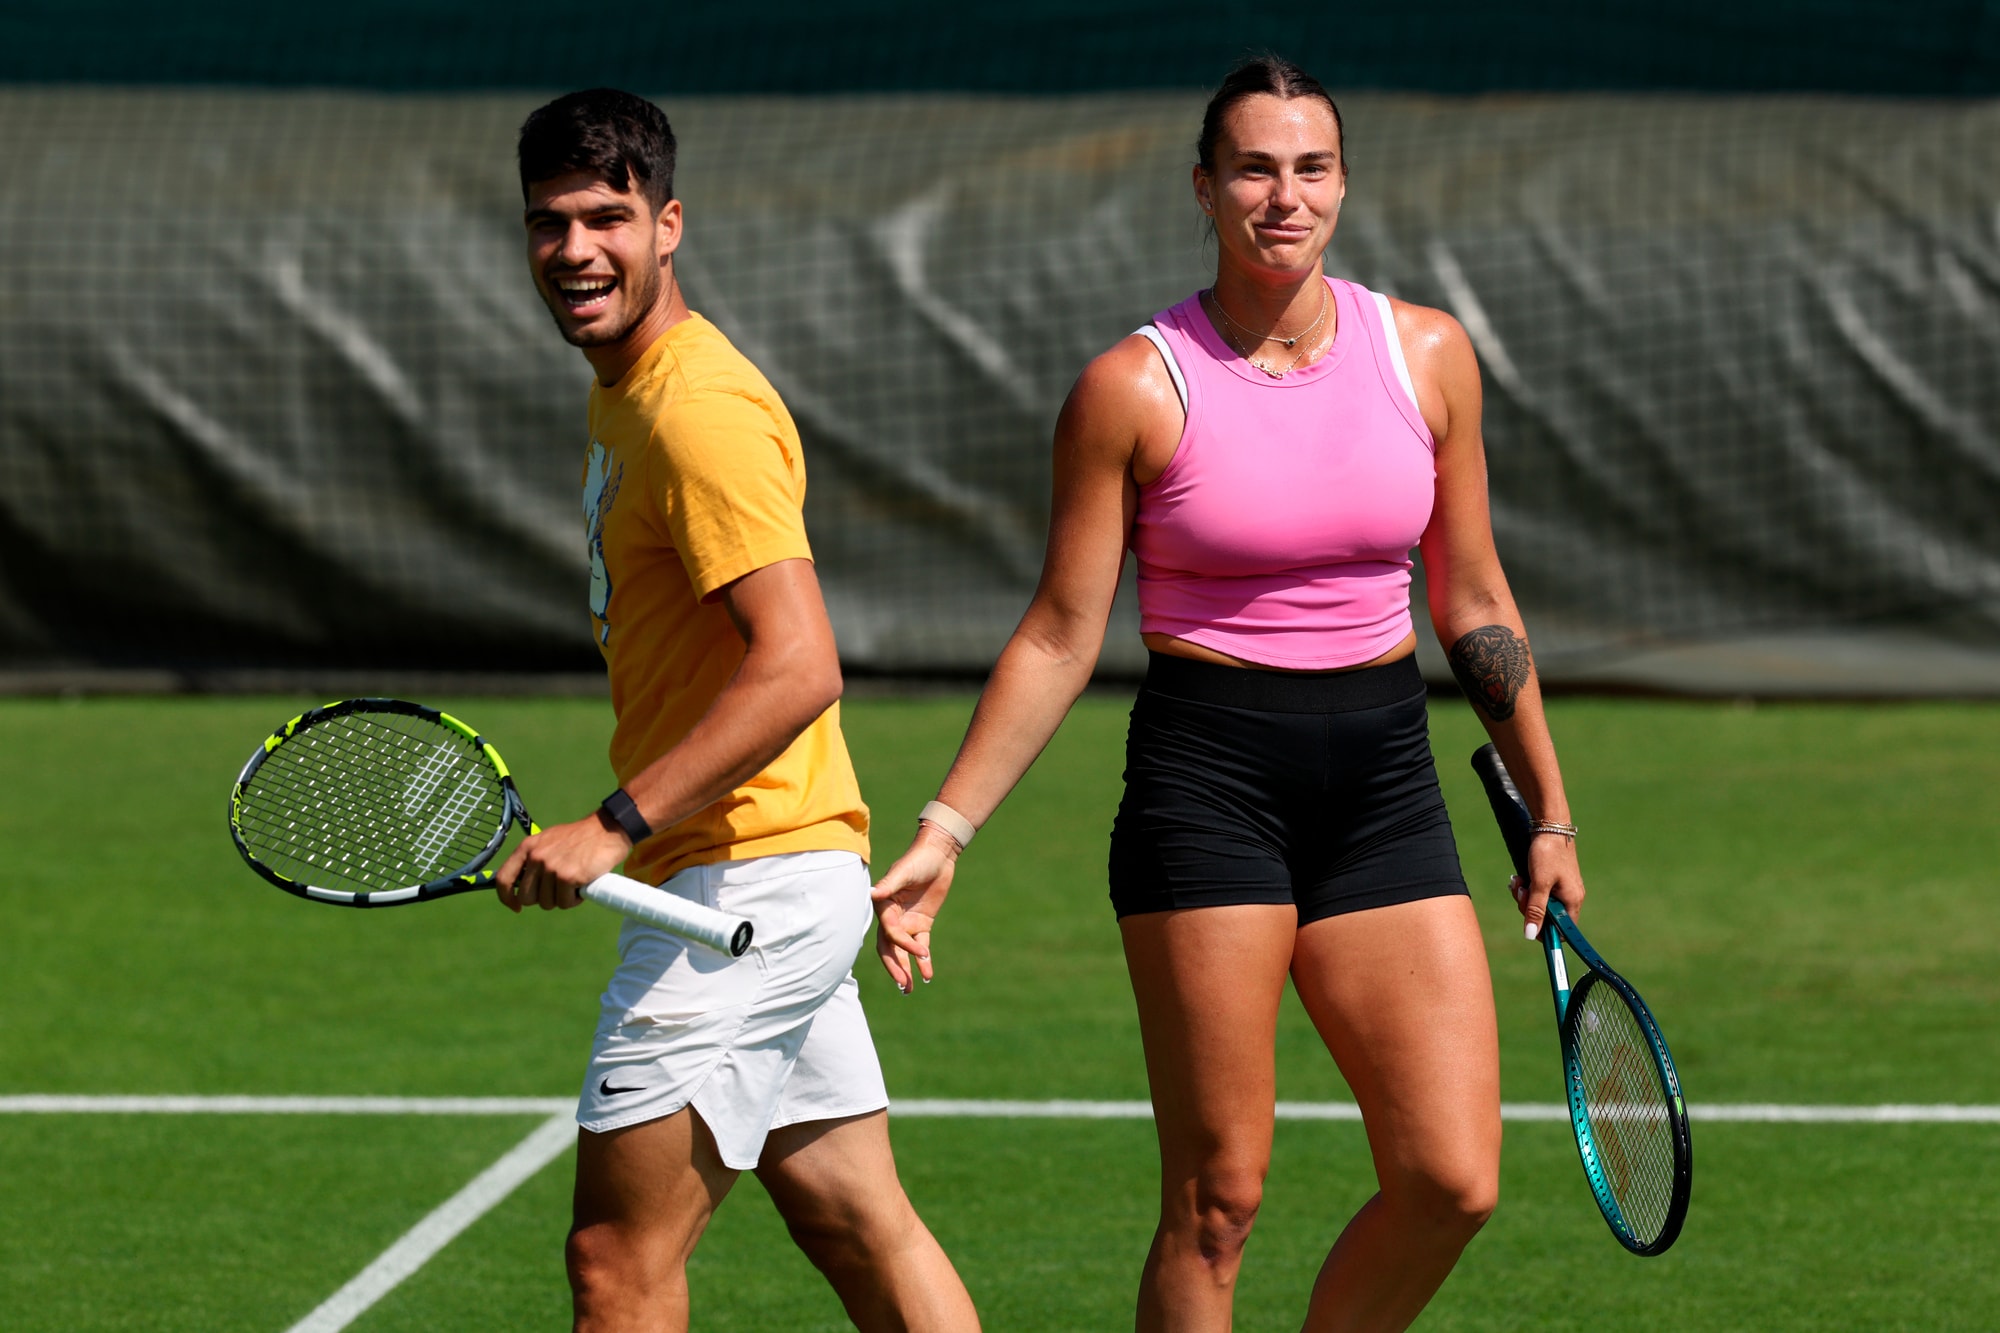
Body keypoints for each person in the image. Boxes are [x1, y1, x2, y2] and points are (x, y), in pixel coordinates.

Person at [870, 57, 1585, 1332]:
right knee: (1216, 1200)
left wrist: (1549, 808)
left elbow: (1473, 599)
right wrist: (944, 829)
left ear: (1343, 185)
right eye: (1253, 169)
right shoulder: (1131, 386)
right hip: (1207, 788)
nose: (1282, 196)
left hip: (1383, 783)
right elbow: (1058, 634)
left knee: (1450, 1179)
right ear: (1203, 188)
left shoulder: (1427, 354)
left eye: (1310, 168)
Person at [496, 88, 979, 1333]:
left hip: (734, 891)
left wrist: (614, 823)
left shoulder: (693, 410)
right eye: (549, 222)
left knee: (616, 1262)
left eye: (606, 219)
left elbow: (800, 665)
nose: (574, 250)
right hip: (772, 875)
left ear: (668, 226)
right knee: (858, 1223)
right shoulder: (629, 390)